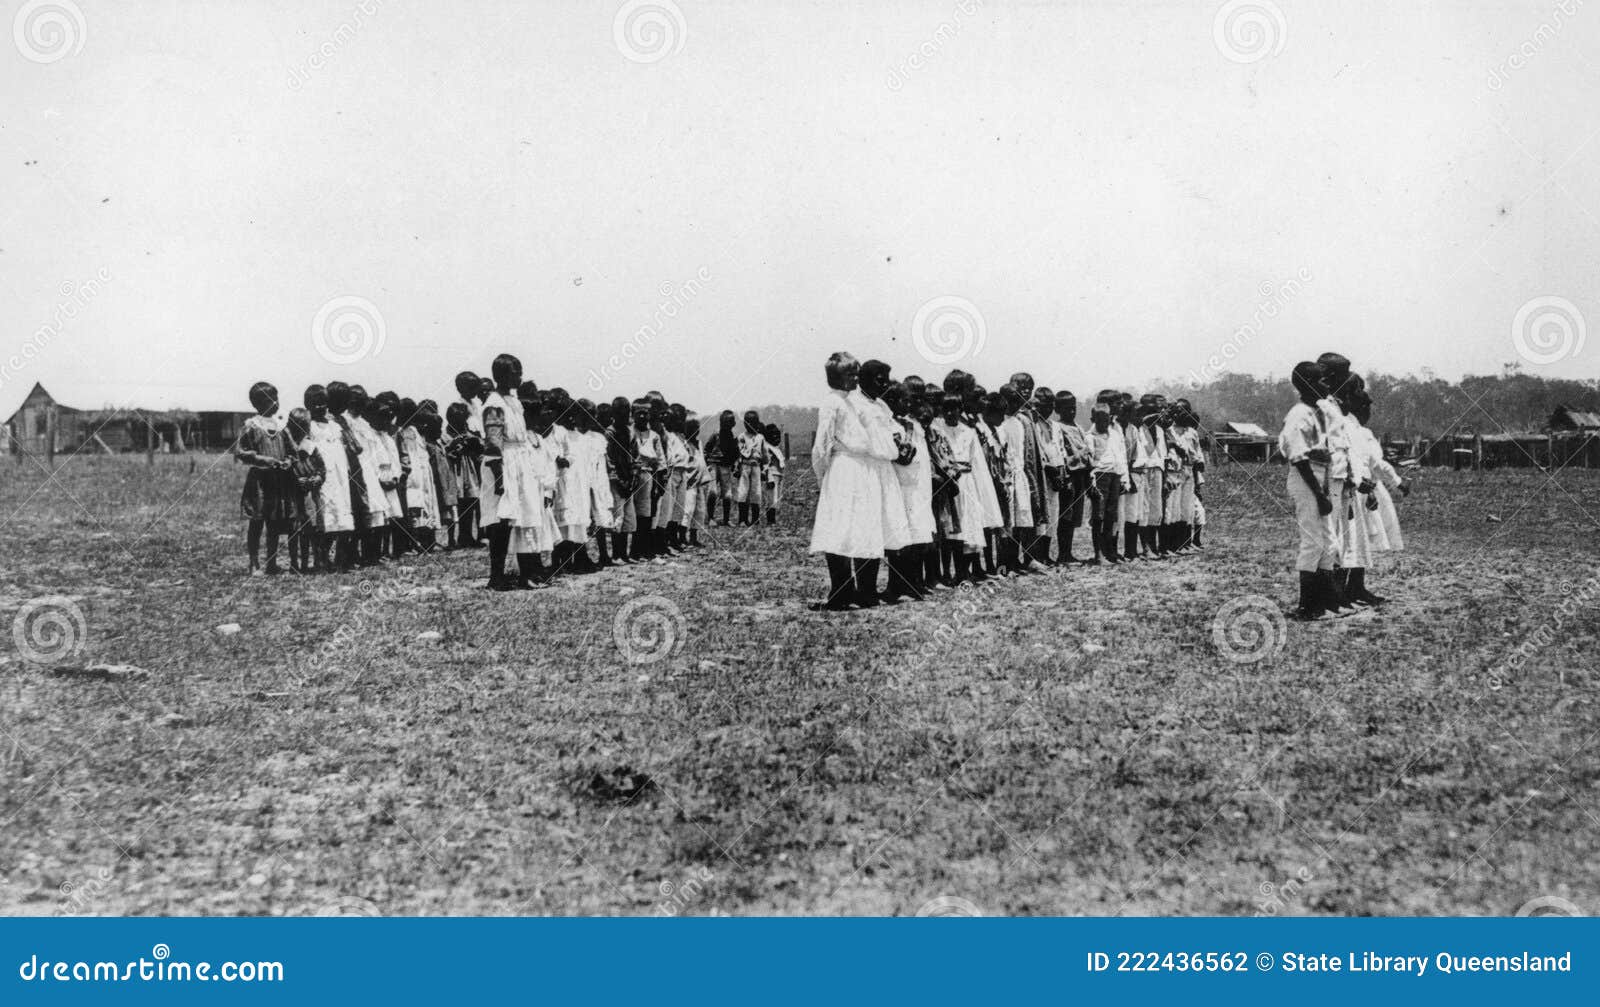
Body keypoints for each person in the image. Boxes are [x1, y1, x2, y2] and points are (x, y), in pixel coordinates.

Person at [809, 352, 892, 610]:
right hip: (843, 468)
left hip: (862, 468)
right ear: (835, 377)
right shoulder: (831, 403)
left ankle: (865, 591)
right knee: (840, 529)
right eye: (850, 374)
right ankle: (842, 591)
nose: (855, 378)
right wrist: (824, 475)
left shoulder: (854, 402)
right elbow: (822, 444)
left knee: (863, 527)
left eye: (857, 373)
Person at [1278, 361, 1339, 620]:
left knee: (1328, 540)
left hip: (1320, 474)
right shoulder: (1299, 414)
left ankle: (1324, 603)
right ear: (1309, 384)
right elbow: (1298, 456)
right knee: (1312, 539)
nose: (1327, 385)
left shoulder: (1318, 412)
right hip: (1306, 478)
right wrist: (1319, 494)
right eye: (1323, 381)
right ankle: (1307, 605)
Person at [235, 382, 293, 575]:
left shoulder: (281, 425)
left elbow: (292, 450)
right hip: (260, 480)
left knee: (274, 522)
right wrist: (261, 459)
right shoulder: (251, 425)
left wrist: (288, 461)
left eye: (277, 398)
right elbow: (239, 452)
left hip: (278, 480)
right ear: (257, 403)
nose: (276, 402)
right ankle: (254, 563)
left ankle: (272, 562)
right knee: (257, 521)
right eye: (270, 400)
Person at [882, 381, 932, 602]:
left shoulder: (909, 425)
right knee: (899, 540)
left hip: (915, 487)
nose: (909, 404)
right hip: (899, 486)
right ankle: (897, 585)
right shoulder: (890, 426)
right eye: (904, 400)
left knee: (916, 536)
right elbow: (903, 455)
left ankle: (912, 584)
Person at [304, 384, 356, 572]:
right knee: (325, 517)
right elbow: (306, 451)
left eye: (323, 404)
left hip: (340, 476)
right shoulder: (308, 426)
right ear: (308, 404)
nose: (320, 408)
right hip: (323, 477)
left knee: (343, 516)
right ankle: (321, 558)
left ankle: (341, 559)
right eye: (315, 404)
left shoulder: (335, 425)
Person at [1085, 402, 1129, 564]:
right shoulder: (1090, 437)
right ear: (1093, 419)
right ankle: (1098, 553)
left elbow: (1121, 457)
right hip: (1100, 477)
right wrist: (1091, 482)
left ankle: (1109, 551)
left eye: (1106, 420)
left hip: (1115, 476)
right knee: (1099, 516)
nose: (1104, 424)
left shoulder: (1115, 435)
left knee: (1112, 514)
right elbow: (1088, 462)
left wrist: (1124, 478)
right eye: (1100, 421)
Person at [284, 407, 327, 573]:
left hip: (311, 493)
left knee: (312, 528)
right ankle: (295, 562)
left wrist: (316, 478)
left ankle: (312, 561)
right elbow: (284, 469)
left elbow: (321, 468)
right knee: (295, 529)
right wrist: (295, 480)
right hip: (294, 495)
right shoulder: (287, 447)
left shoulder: (310, 445)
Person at [1054, 390, 1090, 563]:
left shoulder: (1078, 428)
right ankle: (1063, 553)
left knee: (1075, 515)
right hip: (1069, 475)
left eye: (1073, 408)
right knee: (1066, 515)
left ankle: (1068, 552)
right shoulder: (1059, 428)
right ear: (1058, 409)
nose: (1072, 412)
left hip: (1081, 474)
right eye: (1067, 408)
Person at [705, 410, 738, 526]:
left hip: (725, 467)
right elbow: (707, 448)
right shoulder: (716, 434)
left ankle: (726, 519)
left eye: (730, 422)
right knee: (712, 492)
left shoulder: (732, 436)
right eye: (725, 422)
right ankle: (710, 517)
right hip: (713, 465)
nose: (727, 425)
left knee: (727, 494)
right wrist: (706, 463)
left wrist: (733, 463)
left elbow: (735, 452)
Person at [734, 410, 767, 527]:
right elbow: (739, 453)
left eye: (754, 422)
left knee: (756, 493)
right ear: (745, 424)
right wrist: (737, 467)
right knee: (743, 491)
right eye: (749, 423)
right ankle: (742, 519)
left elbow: (765, 455)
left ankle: (755, 519)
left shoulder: (760, 438)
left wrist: (764, 469)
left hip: (756, 467)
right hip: (745, 466)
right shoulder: (741, 437)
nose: (752, 425)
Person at [761, 423, 786, 525]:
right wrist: (769, 477)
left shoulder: (776, 448)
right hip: (772, 475)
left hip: (779, 475)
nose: (776, 438)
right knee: (771, 498)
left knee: (776, 498)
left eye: (778, 435)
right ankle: (770, 521)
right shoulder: (767, 447)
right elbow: (766, 464)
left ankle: (772, 519)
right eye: (773, 435)